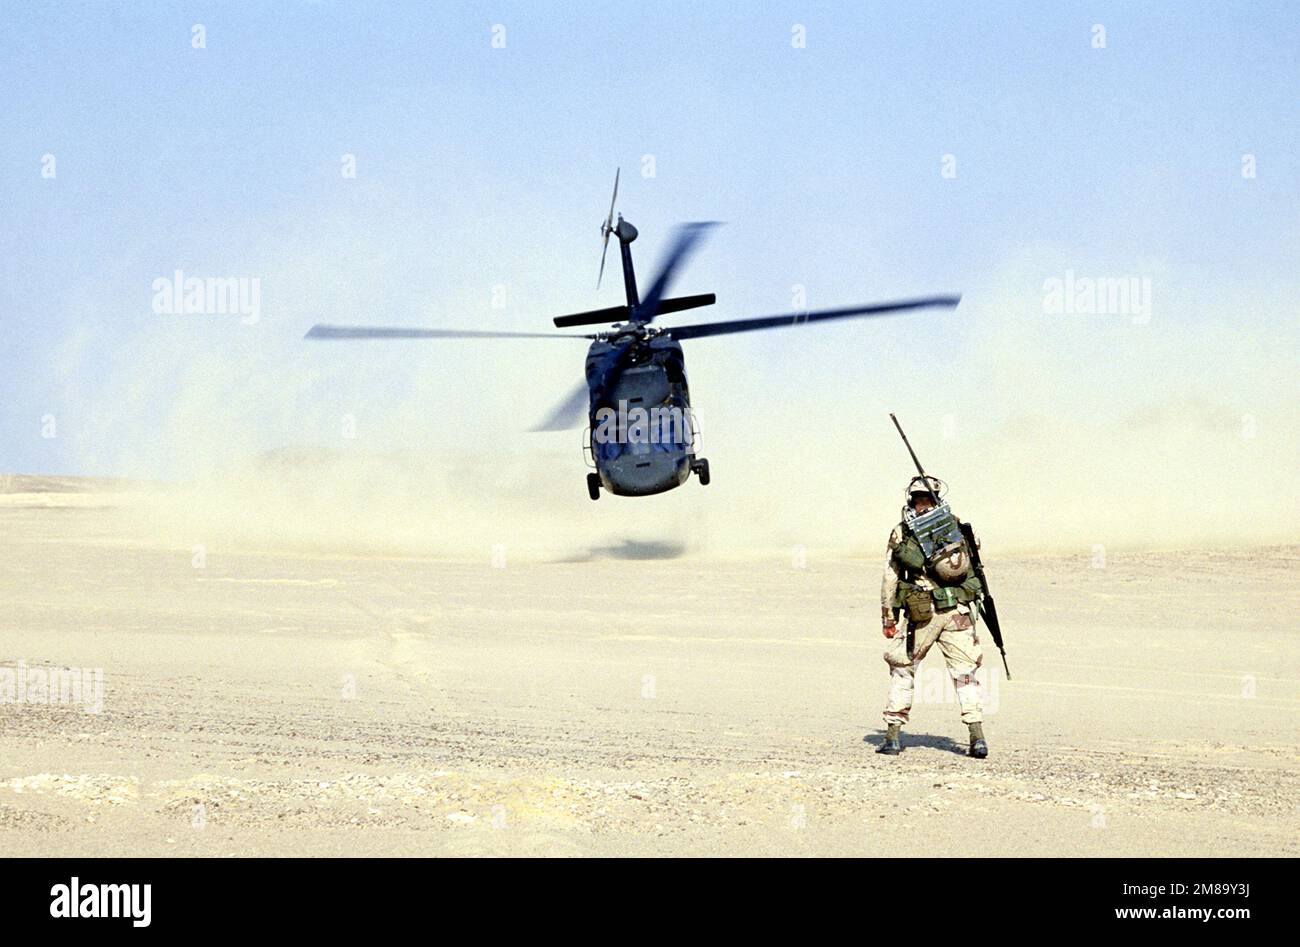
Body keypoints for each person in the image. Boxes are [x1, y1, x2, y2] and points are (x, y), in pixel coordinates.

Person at [877, 476, 988, 758]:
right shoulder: (959, 527)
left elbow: (890, 577)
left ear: (911, 499)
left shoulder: (902, 531)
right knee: (965, 674)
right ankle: (977, 738)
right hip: (958, 612)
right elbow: (975, 568)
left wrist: (887, 616)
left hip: (921, 614)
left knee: (903, 668)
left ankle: (892, 738)